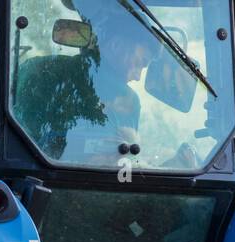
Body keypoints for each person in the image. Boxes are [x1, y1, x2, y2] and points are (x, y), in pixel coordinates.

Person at [12, 3, 155, 162]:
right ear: (116, 46)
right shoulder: (128, 99)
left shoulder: (35, 68)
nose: (137, 76)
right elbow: (123, 168)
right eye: (140, 63)